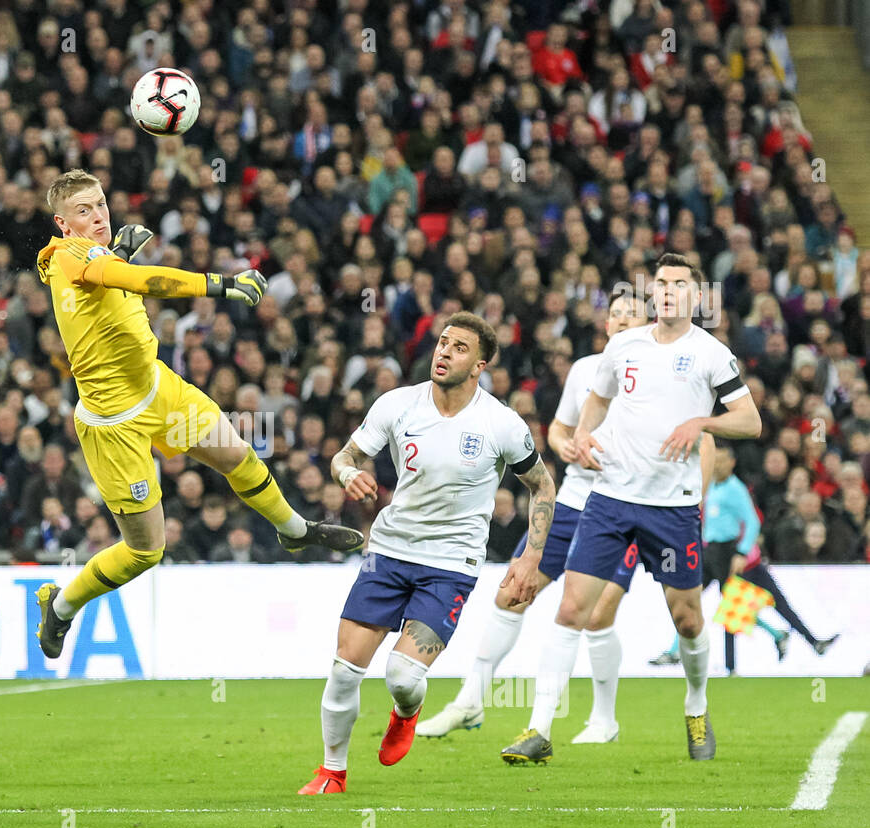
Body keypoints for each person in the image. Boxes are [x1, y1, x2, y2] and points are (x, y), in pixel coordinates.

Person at [32, 169, 363, 659]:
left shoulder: (97, 255)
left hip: (158, 390)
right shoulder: (70, 257)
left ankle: (297, 532)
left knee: (238, 456)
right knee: (146, 550)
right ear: (63, 222)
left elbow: (108, 289)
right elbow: (143, 280)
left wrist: (117, 252)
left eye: (101, 204)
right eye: (85, 210)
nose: (99, 215)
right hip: (113, 425)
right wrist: (221, 284)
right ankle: (60, 607)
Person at [415, 291, 715, 745]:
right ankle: (470, 700)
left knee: (595, 616)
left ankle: (603, 719)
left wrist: (695, 502)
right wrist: (565, 445)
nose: (618, 321)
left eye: (629, 315)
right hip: (573, 501)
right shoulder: (584, 370)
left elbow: (705, 441)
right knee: (512, 594)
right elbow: (558, 428)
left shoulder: (668, 372)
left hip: (629, 505)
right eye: (613, 314)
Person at [501, 254, 761, 765]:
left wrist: (701, 426)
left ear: (696, 297)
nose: (667, 291)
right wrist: (580, 435)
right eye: (660, 284)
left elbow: (749, 421)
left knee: (687, 620)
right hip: (611, 500)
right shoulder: (624, 346)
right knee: (572, 609)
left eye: (678, 284)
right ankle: (539, 728)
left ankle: (696, 705)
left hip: (672, 508)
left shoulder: (711, 354)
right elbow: (596, 400)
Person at [298, 313, 556, 795]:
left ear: (479, 365)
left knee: (401, 676)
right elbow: (344, 456)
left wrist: (530, 558)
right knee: (344, 668)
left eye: (458, 347)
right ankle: (332, 771)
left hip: (450, 566)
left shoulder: (501, 423)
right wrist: (344, 475)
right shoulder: (398, 405)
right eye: (441, 342)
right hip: (389, 553)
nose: (444, 352)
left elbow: (543, 486)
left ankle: (407, 711)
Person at [648, 441, 839, 672]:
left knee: (739, 605)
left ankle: (733, 661)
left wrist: (740, 552)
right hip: (711, 552)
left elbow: (752, 522)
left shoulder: (734, 489)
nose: (716, 465)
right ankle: (780, 638)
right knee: (691, 599)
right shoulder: (709, 487)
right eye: (713, 460)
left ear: (731, 463)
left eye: (720, 461)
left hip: (732, 554)